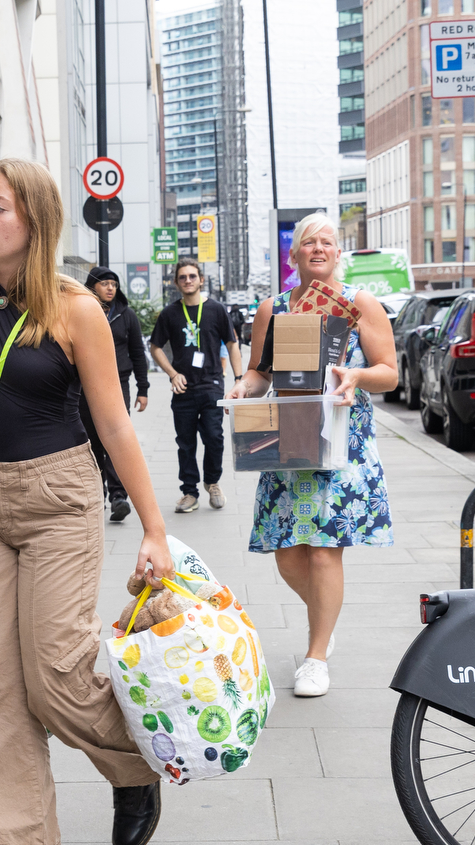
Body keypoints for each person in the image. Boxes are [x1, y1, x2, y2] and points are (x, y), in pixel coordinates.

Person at [0, 158, 173, 845]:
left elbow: (112, 423)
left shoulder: (75, 311)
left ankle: (133, 770)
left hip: (57, 498)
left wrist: (156, 528)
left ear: (32, 221)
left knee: (57, 672)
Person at [228, 213, 397, 697]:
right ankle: (325, 615)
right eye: (309, 243)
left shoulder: (357, 303)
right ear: (294, 255)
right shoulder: (273, 308)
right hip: (289, 440)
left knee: (324, 551)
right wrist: (244, 386)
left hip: (342, 440)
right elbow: (260, 373)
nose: (318, 248)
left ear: (338, 253)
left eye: (327, 242)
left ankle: (316, 656)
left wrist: (358, 377)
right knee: (286, 554)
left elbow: (389, 371)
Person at [149, 259, 243, 513]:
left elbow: (232, 343)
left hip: (212, 384)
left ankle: (212, 482)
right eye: (182, 277)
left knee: (214, 437)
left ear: (201, 279)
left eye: (192, 276)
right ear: (176, 282)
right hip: (183, 390)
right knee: (186, 443)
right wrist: (171, 373)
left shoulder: (216, 310)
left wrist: (238, 378)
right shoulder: (170, 313)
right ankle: (189, 492)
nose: (188, 280)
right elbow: (155, 347)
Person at [78, 266, 150, 522]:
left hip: (119, 383)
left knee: (116, 439)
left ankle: (118, 496)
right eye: (105, 283)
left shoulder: (125, 315)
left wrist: (143, 388)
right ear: (92, 285)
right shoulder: (80, 311)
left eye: (114, 284)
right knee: (90, 441)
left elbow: (138, 353)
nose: (110, 288)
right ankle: (97, 493)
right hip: (84, 387)